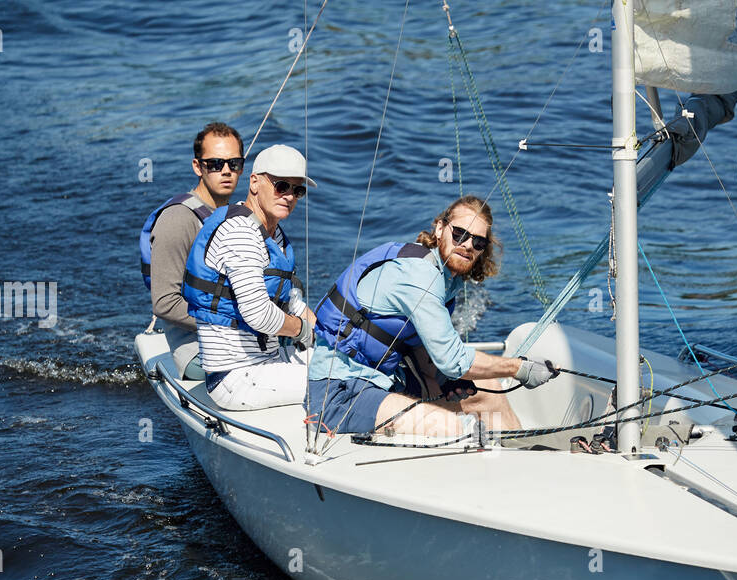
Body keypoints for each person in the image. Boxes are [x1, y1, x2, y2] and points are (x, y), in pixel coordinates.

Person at [306, 195, 555, 437]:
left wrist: (445, 382)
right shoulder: (419, 276)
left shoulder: (446, 281)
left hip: (387, 381)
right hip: (339, 390)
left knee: (489, 392)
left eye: (478, 242)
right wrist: (519, 368)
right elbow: (452, 360)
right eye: (460, 234)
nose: (468, 245)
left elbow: (425, 356)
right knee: (451, 427)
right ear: (439, 229)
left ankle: (522, 461)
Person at [183, 144, 318, 411]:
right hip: (235, 378)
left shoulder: (274, 235)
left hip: (268, 362)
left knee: (347, 361)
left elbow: (291, 303)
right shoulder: (240, 233)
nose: (289, 196)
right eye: (282, 186)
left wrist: (327, 334)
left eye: (297, 190)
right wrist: (302, 331)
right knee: (340, 381)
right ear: (255, 183)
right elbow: (258, 314)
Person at [139, 122, 244, 379]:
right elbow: (164, 303)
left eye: (234, 163)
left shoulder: (231, 215)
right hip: (197, 351)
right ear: (198, 167)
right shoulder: (178, 220)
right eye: (216, 164)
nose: (227, 171)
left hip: (238, 335)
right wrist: (236, 322)